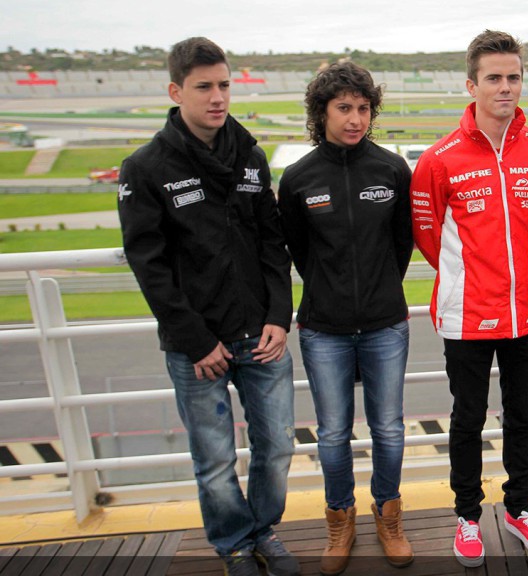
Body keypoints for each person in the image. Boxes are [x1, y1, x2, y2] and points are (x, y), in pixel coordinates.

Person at [117, 37, 299, 576]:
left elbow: (272, 242)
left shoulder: (250, 155)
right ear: (176, 92)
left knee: (279, 448)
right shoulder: (145, 167)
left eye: (223, 85)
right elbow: (147, 264)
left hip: (260, 337)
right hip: (197, 348)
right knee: (216, 461)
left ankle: (263, 531)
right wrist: (195, 339)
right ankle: (234, 545)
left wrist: (277, 317)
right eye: (204, 87)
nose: (218, 97)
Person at [410, 29, 528, 567]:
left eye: (513, 77)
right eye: (493, 78)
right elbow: (429, 240)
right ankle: (468, 517)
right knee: (467, 418)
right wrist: (471, 279)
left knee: (523, 415)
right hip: (466, 315)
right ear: (471, 84)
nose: (505, 87)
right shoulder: (438, 159)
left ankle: (519, 507)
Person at [278, 62, 414, 574]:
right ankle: (340, 519)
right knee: (333, 433)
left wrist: (378, 291)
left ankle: (388, 513)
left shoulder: (392, 169)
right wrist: (331, 296)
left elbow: (402, 245)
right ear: (322, 112)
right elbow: (298, 251)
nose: (355, 118)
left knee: (389, 429)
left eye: (363, 108)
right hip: (323, 328)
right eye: (344, 108)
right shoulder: (298, 178)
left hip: (385, 323)